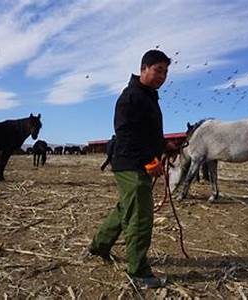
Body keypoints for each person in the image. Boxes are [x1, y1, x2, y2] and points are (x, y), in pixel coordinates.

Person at [87, 49, 170, 289]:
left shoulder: (148, 96)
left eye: (165, 72)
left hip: (135, 161)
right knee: (139, 217)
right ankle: (139, 272)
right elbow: (126, 133)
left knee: (126, 208)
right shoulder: (132, 96)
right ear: (143, 68)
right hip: (131, 163)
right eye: (158, 70)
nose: (162, 76)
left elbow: (146, 133)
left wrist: (165, 145)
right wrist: (149, 160)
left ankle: (99, 246)